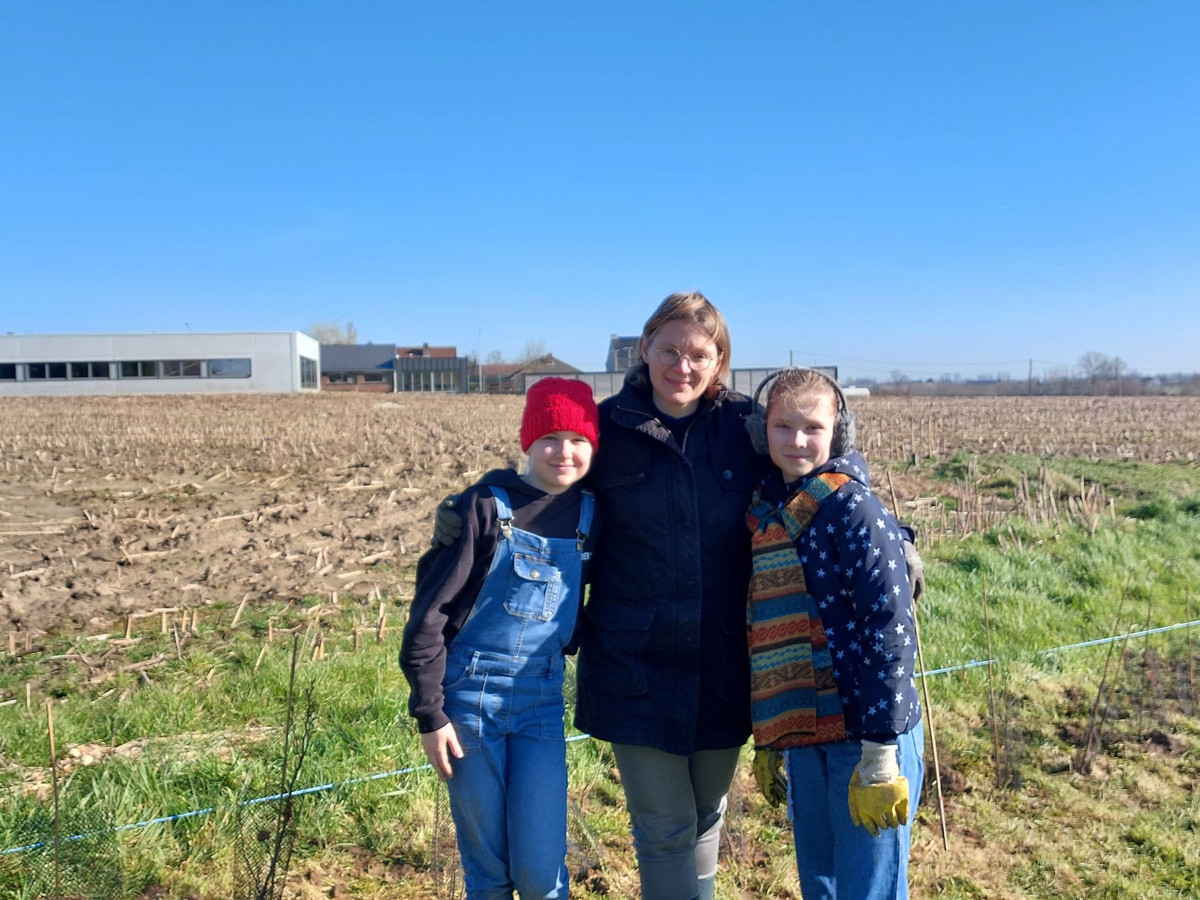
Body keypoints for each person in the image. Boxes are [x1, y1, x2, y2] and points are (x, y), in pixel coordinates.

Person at [399, 377, 601, 900]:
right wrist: (430, 714)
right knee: (488, 873)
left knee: (541, 875)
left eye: (578, 440)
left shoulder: (593, 515)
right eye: (550, 437)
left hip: (541, 703)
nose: (564, 452)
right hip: (469, 704)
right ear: (527, 441)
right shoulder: (483, 508)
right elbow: (430, 615)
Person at [744, 367, 924, 900]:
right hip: (806, 734)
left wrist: (881, 749)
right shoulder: (766, 513)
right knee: (819, 884)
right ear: (761, 432)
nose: (797, 441)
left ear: (838, 433)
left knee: (869, 890)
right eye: (782, 426)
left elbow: (890, 628)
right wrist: (773, 736)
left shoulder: (853, 507)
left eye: (813, 428)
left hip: (865, 735)